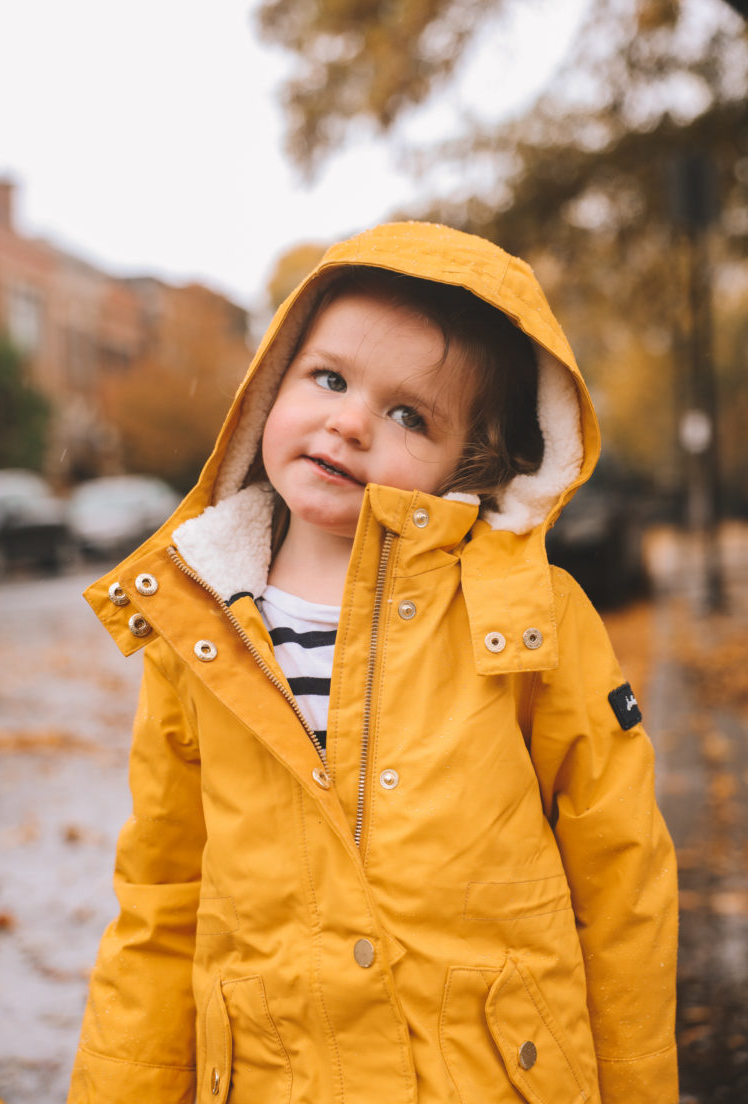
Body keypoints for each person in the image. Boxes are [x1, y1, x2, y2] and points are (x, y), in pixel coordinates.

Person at [68, 221, 678, 1104]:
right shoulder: (197, 630)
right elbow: (161, 900)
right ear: (269, 387)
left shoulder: (530, 620)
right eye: (328, 378)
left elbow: (622, 880)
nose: (349, 422)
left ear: (464, 462)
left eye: (408, 415)